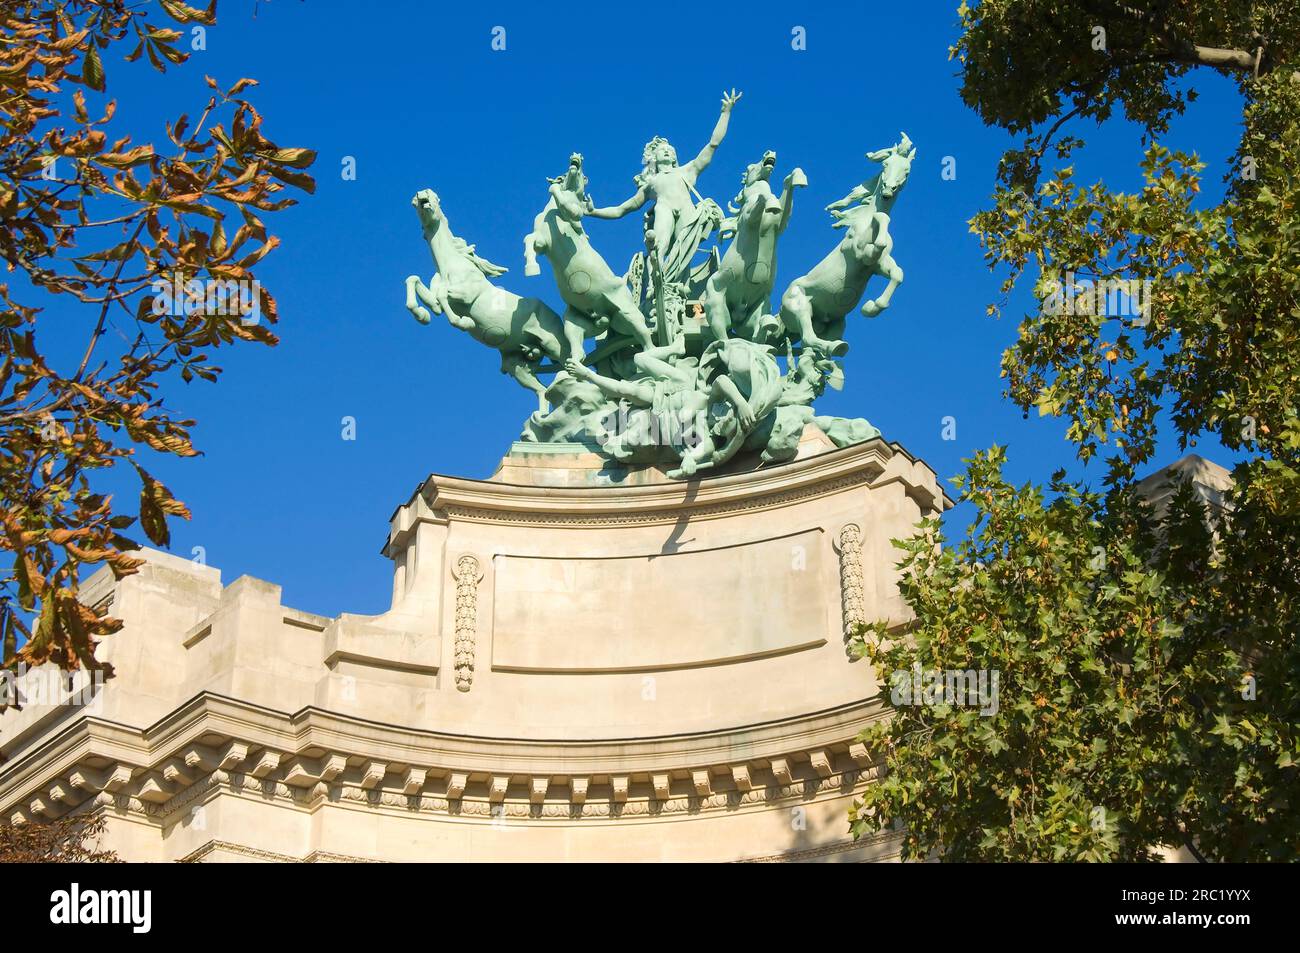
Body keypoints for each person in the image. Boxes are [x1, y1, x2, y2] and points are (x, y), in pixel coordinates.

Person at [588, 90, 741, 283]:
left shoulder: (688, 171)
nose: (668, 153)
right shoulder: (650, 183)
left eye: (670, 150)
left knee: (685, 252)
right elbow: (622, 209)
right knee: (660, 243)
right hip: (665, 208)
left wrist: (725, 113)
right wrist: (593, 211)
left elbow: (713, 144)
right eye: (663, 151)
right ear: (654, 158)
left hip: (687, 211)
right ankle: (655, 280)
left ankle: (679, 289)